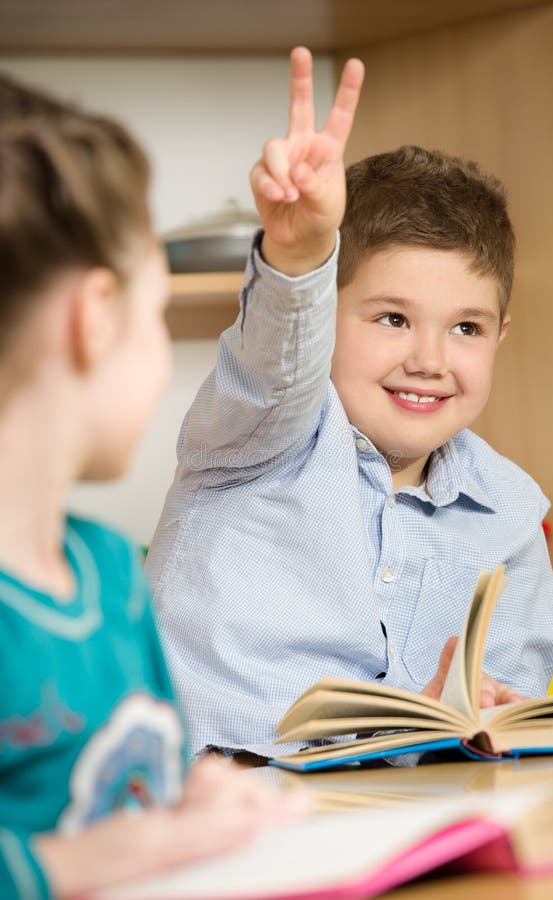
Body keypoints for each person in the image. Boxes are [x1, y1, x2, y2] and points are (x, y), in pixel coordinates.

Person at [147, 47, 553, 761]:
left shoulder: (512, 514)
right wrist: (301, 257)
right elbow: (274, 359)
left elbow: (508, 702)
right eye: (391, 319)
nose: (429, 361)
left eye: (466, 328)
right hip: (206, 798)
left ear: (500, 335)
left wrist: (477, 718)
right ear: (325, 320)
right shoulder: (262, 431)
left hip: (388, 813)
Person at [0, 72, 308, 900]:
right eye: (155, 312)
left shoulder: (111, 576)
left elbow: (144, 791)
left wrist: (197, 799)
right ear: (94, 318)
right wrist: (84, 865)